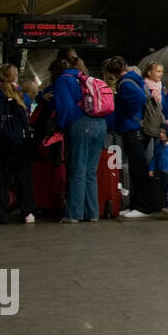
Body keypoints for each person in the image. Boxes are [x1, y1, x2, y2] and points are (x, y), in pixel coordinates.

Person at [0, 64, 36, 226]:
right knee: (24, 179)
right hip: (21, 144)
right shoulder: (21, 96)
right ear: (15, 77)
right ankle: (28, 213)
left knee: (0, 181)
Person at [54, 54, 105, 223]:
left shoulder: (63, 80)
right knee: (91, 172)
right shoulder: (87, 79)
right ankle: (92, 213)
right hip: (100, 124)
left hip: (81, 126)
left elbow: (66, 108)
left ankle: (74, 214)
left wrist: (60, 126)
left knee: (77, 171)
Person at [107, 56, 153, 218]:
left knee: (137, 169)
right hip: (136, 129)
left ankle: (143, 206)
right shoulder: (133, 79)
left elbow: (138, 99)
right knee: (136, 169)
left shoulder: (125, 83)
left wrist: (128, 115)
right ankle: (137, 204)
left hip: (133, 130)